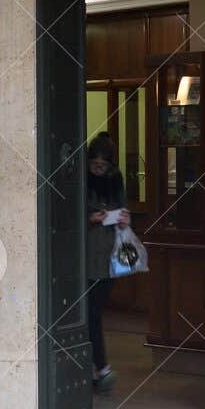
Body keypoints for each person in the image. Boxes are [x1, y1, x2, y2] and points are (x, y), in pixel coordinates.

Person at [84, 133, 129, 393]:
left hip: (109, 254)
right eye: (95, 165)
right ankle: (99, 366)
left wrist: (123, 217)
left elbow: (123, 206)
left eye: (103, 166)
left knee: (95, 311)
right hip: (88, 253)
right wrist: (89, 218)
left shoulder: (116, 180)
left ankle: (96, 367)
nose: (98, 170)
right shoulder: (81, 180)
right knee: (90, 313)